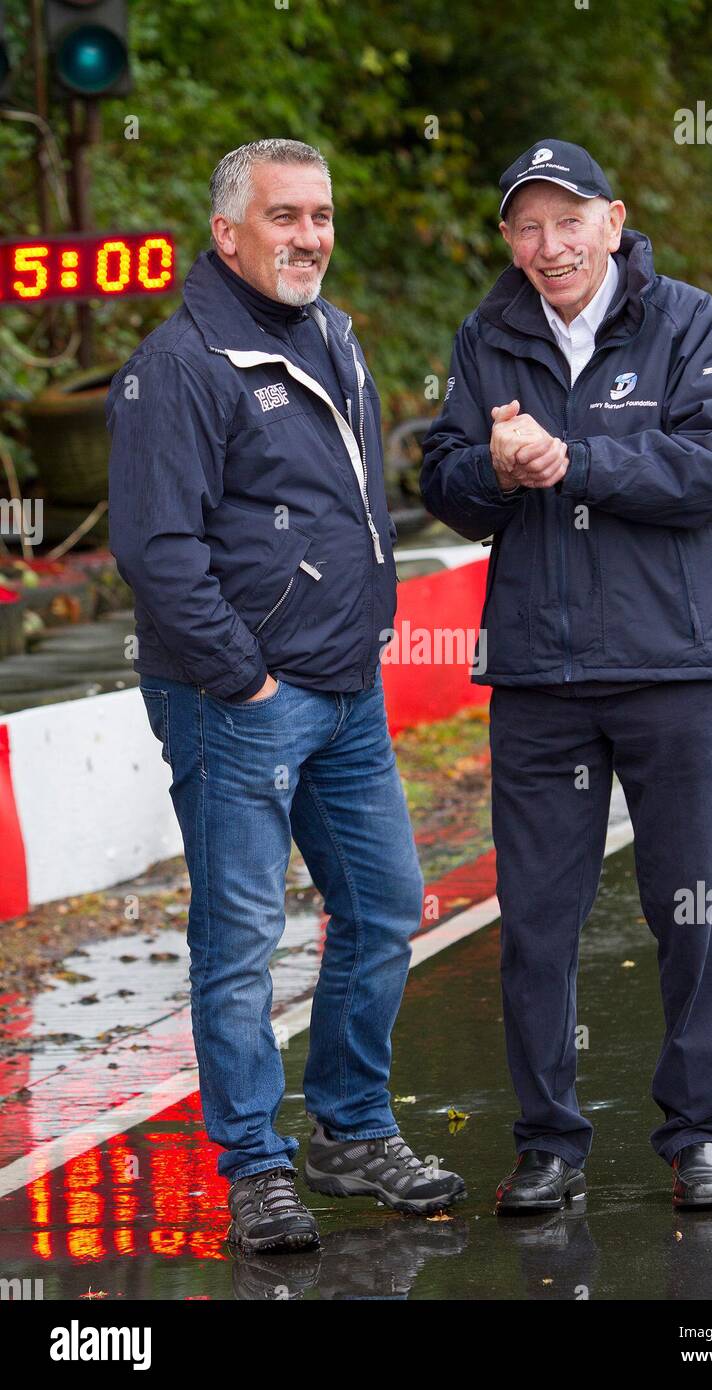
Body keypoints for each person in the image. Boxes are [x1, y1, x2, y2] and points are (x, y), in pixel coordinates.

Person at [107, 138, 465, 1254]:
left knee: (385, 906)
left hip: (345, 689)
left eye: (320, 215)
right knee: (242, 939)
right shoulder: (179, 365)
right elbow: (158, 551)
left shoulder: (332, 334)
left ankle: (349, 1129)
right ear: (227, 234)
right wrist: (245, 678)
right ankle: (255, 1166)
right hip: (237, 700)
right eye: (283, 216)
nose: (308, 236)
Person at [421, 138, 712, 1214]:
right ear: (508, 238)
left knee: (690, 910)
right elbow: (442, 482)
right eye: (527, 225)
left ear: (612, 222)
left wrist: (574, 459)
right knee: (535, 923)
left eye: (569, 221)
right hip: (538, 676)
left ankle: (699, 1134)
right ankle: (548, 1146)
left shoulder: (688, 322)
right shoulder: (486, 335)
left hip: (673, 667)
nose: (549, 244)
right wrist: (493, 467)